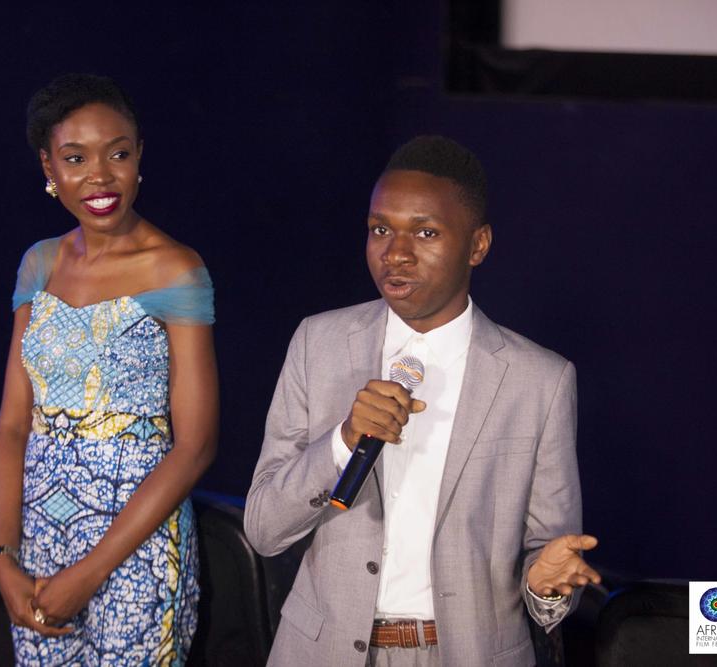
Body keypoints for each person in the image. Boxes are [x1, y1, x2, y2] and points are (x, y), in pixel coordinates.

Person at [244, 136, 600, 667]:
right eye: (380, 229)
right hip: (323, 651)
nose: (396, 253)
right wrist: (342, 443)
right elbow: (264, 529)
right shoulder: (317, 344)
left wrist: (547, 588)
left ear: (477, 245)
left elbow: (549, 563)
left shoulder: (540, 381)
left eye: (426, 232)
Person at [0, 73, 218, 666]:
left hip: (135, 553)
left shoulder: (176, 270)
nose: (100, 176)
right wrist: (3, 558)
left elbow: (194, 447)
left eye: (118, 153)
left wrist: (90, 574)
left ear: (140, 155)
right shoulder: (39, 263)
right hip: (39, 548)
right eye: (75, 158)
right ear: (48, 166)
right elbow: (15, 425)